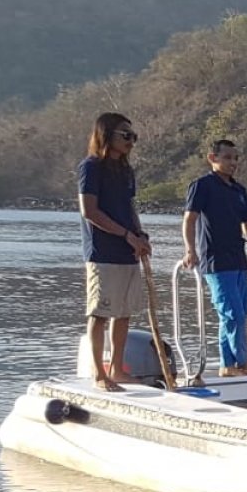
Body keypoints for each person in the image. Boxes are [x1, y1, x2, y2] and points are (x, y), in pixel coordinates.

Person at [181, 139, 247, 377]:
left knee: (236, 315)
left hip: (238, 260)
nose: (233, 163)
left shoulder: (239, 191)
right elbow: (189, 219)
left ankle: (228, 365)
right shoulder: (202, 186)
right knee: (232, 314)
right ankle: (241, 365)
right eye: (227, 157)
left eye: (235, 158)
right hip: (215, 262)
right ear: (213, 158)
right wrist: (190, 250)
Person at [77, 112, 153, 391]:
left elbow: (129, 207)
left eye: (134, 136)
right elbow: (90, 211)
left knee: (124, 312)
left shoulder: (125, 171)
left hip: (127, 251)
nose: (131, 141)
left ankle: (117, 369)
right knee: (100, 312)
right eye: (126, 135)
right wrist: (125, 235)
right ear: (106, 134)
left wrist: (140, 235)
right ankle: (100, 374)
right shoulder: (91, 167)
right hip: (103, 252)